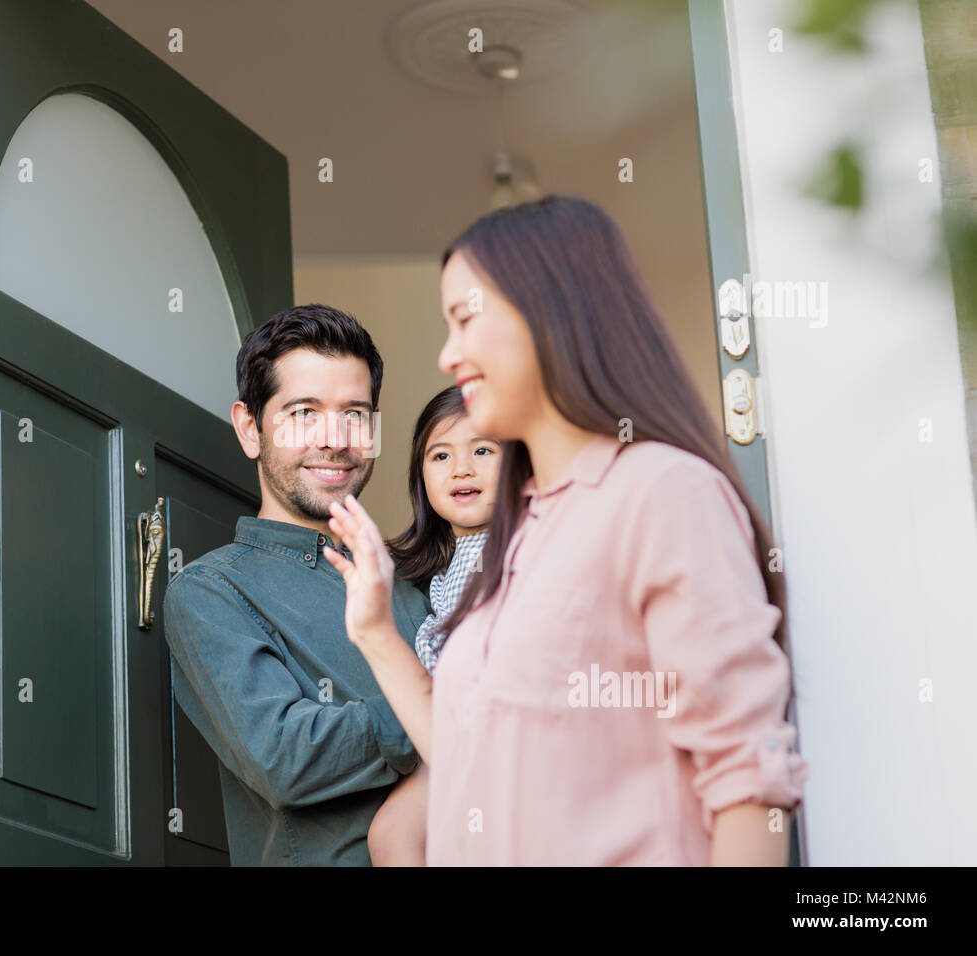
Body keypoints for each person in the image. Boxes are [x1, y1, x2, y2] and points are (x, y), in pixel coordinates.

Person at [323, 195, 810, 865]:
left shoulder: (661, 492)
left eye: (466, 319)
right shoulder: (519, 536)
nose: (447, 353)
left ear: (551, 314)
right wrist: (376, 631)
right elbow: (469, 764)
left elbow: (747, 780)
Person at [161, 304, 432, 866]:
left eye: (354, 414)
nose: (333, 439)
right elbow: (284, 758)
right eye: (304, 413)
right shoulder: (212, 591)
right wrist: (438, 709)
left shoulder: (422, 587)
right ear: (250, 428)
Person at [366, 385, 500, 866]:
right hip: (437, 730)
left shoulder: (527, 542)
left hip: (502, 723)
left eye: (483, 449)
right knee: (391, 835)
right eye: (440, 455)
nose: (461, 468)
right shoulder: (418, 574)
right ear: (421, 477)